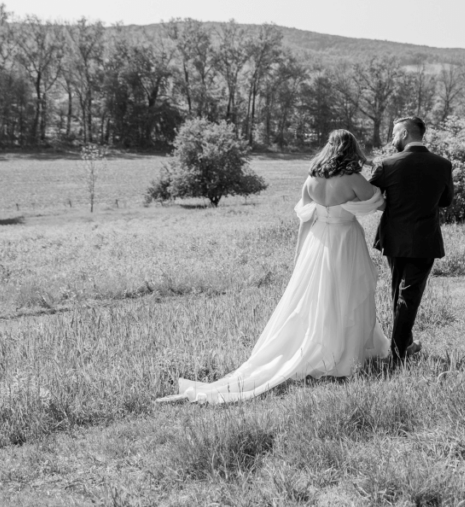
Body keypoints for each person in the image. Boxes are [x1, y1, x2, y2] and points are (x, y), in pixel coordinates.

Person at [157, 129, 390, 404]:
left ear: (328, 148)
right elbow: (380, 203)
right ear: (352, 150)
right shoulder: (352, 178)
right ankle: (344, 355)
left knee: (317, 299)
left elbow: (304, 220)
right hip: (344, 240)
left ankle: (326, 347)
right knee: (347, 293)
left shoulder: (312, 179)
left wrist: (299, 256)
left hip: (316, 242)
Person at [369, 116, 454, 365]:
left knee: (401, 291)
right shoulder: (443, 164)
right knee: (407, 293)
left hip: (394, 238)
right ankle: (399, 351)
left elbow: (371, 197)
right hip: (425, 239)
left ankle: (400, 349)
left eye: (395, 133)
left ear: (405, 134)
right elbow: (446, 201)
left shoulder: (387, 164)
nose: (392, 138)